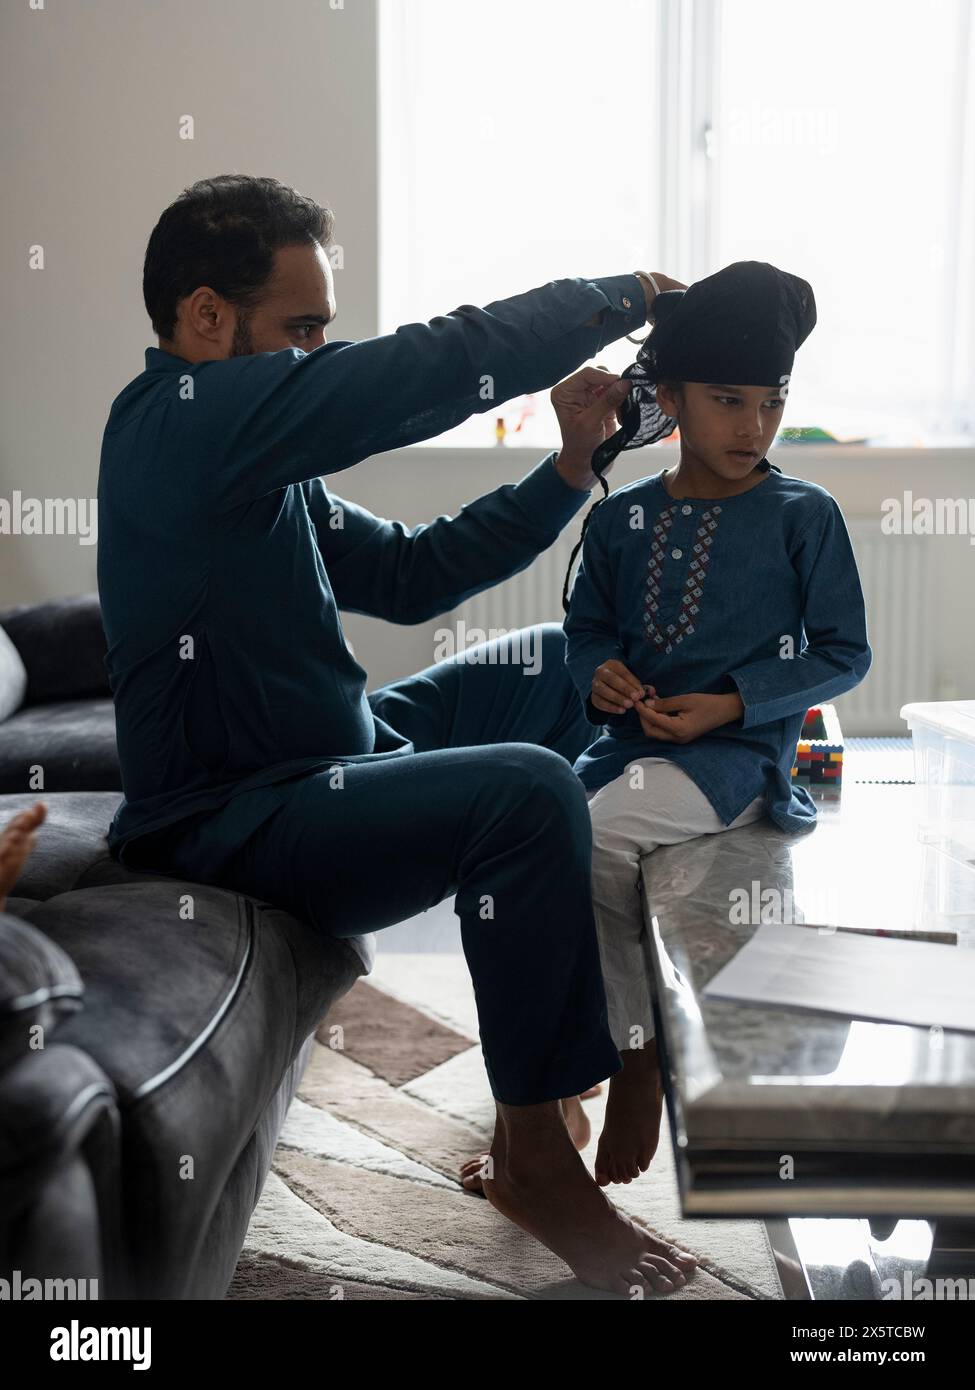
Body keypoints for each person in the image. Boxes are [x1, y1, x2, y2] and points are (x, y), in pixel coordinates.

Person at [97, 172, 697, 1295]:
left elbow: (414, 575)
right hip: (236, 815)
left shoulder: (254, 453)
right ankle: (534, 1157)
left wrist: (570, 465)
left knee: (572, 671)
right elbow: (426, 366)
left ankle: (561, 1035)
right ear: (206, 318)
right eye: (304, 329)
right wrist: (618, 295)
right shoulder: (178, 426)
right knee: (522, 790)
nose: (322, 353)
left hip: (335, 751)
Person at [562, 261, 873, 1187]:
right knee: (524, 839)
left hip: (737, 758)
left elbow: (843, 653)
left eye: (770, 403)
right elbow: (587, 632)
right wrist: (603, 678)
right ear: (671, 399)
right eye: (728, 401)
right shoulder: (621, 520)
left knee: (589, 839)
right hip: (624, 747)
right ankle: (549, 1081)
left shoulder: (802, 514)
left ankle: (635, 1058)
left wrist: (735, 701)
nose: (752, 426)